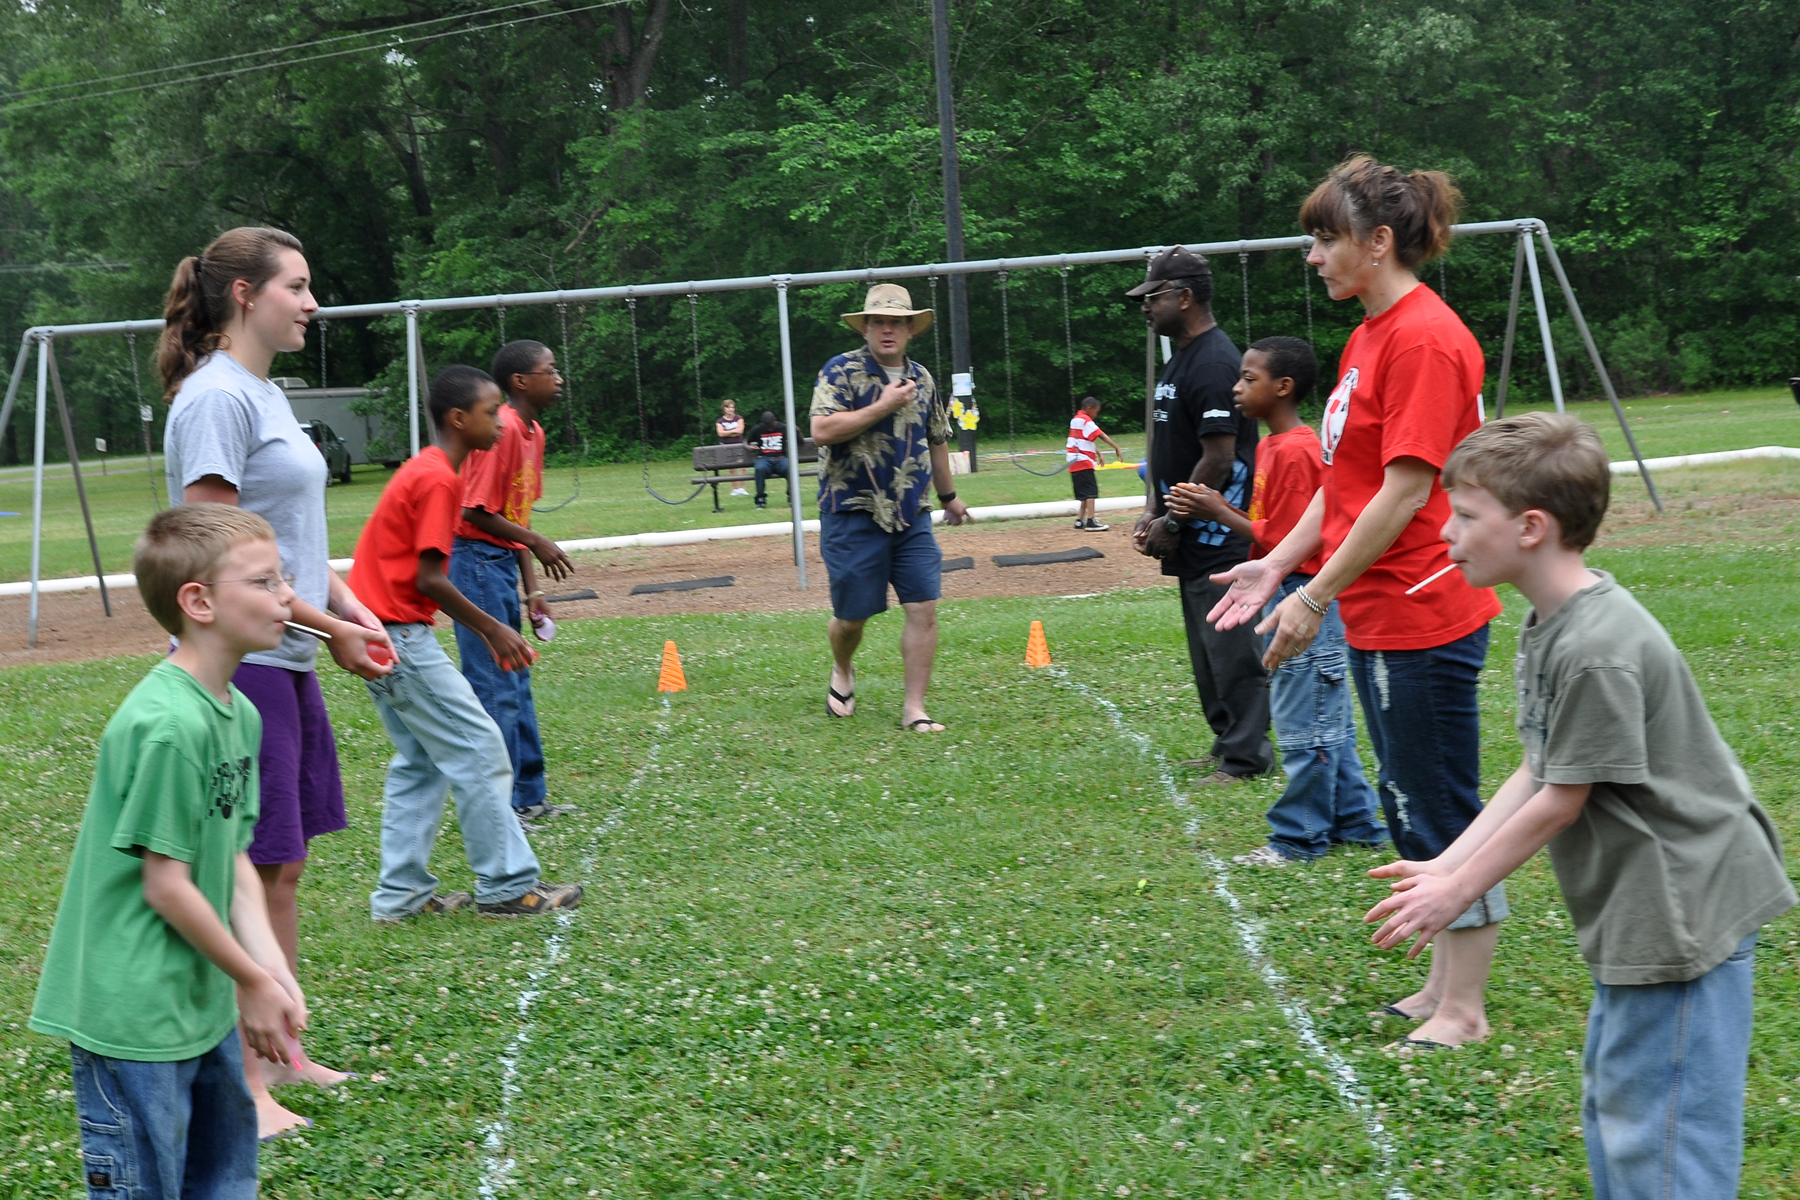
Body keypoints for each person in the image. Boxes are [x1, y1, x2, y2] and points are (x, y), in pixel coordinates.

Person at [1368, 412, 1796, 1193]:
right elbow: (1540, 764)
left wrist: (1458, 891)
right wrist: (1447, 860)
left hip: (1682, 908)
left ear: (1531, 527)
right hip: (1644, 905)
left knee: (1662, 1138)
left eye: (1465, 517)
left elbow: (1561, 800)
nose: (1447, 534)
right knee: (1619, 1106)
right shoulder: (1555, 622)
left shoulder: (1599, 647)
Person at [1208, 156, 1506, 1047]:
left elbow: (1407, 493)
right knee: (1407, 795)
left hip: (1424, 609)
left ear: (1378, 243)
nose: (1313, 256)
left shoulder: (1424, 338)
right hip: (1377, 606)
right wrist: (1277, 569)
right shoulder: (1371, 334)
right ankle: (1439, 982)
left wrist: (1313, 599)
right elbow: (1345, 489)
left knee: (1441, 803)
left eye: (1325, 238)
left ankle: (1465, 1006)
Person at [159, 225, 389, 1135]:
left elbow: (283, 541)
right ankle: (239, 1091)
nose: (313, 301)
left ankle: (280, 1056)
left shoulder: (265, 393)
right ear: (246, 295)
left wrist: (349, 605)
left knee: (281, 867)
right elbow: (222, 559)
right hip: (241, 668)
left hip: (285, 657)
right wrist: (329, 626)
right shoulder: (215, 400)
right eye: (298, 285)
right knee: (237, 875)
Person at [30, 504, 309, 1195]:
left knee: (221, 1177)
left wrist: (270, 969)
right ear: (199, 601)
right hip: (131, 1012)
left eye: (284, 580)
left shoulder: (235, 710)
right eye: (266, 582)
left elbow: (233, 853)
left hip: (197, 998)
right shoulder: (166, 726)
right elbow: (167, 885)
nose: (288, 598)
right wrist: (250, 979)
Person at [348, 365, 583, 921]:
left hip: (381, 631)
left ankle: (400, 898)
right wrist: (492, 626)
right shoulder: (437, 478)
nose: (500, 424)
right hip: (398, 635)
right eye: (488, 411)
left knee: (421, 762)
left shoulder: (432, 469)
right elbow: (431, 578)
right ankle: (506, 886)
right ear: (458, 419)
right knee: (478, 746)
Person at [1172, 337, 1387, 866]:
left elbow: (1292, 540)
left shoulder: (1295, 449)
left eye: (1249, 379)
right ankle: (1357, 822)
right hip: (1294, 591)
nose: (1236, 387)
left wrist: (1219, 511)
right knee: (1325, 717)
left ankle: (1298, 838)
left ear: (1283, 387)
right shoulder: (1271, 445)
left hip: (1306, 598)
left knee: (1303, 721)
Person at [1127, 246, 1272, 784]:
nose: (1145, 306)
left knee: (1232, 650)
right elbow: (1170, 445)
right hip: (1190, 532)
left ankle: (1247, 756)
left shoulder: (1214, 361)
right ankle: (1226, 740)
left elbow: (1219, 456)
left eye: (1154, 297)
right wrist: (1153, 511)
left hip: (1219, 537)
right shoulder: (1181, 356)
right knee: (1207, 650)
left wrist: (1175, 521)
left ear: (1184, 298)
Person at [811, 283, 972, 732]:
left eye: (896, 322)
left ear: (909, 330)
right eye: (878, 321)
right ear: (865, 327)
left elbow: (937, 439)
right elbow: (822, 430)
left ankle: (914, 709)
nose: (887, 330)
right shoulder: (839, 372)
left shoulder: (923, 379)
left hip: (911, 514)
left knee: (923, 607)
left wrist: (948, 497)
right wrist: (882, 405)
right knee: (851, 617)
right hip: (851, 511)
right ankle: (843, 669)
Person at [454, 339, 577, 831]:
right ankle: (498, 810)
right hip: (474, 563)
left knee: (518, 682)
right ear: (521, 382)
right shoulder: (498, 431)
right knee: (495, 687)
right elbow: (473, 512)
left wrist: (534, 592)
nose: (559, 378)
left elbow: (515, 514)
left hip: (503, 564)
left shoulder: (534, 433)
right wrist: (538, 542)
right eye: (551, 370)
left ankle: (530, 798)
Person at [1066, 395, 1123, 531]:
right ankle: (1091, 520)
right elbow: (1100, 435)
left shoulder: (1075, 420)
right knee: (1091, 492)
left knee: (1085, 494)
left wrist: (1098, 453)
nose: (1096, 415)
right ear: (1089, 408)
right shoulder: (1085, 420)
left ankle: (1080, 520)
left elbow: (1083, 440)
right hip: (1082, 461)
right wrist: (1116, 447)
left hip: (1074, 462)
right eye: (1096, 411)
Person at [748, 409, 790, 509]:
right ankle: (760, 499)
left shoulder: (783, 427)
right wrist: (749, 446)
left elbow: (800, 441)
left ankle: (792, 496)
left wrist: (797, 431)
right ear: (763, 424)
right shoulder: (758, 429)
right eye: (767, 426)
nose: (770, 429)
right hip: (764, 458)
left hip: (780, 457)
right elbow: (746, 441)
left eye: (771, 425)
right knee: (759, 469)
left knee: (789, 467)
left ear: (775, 420)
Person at [716, 399, 750, 496]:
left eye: (732, 407)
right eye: (728, 407)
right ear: (724, 408)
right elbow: (720, 433)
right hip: (726, 446)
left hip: (738, 444)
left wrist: (728, 433)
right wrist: (732, 432)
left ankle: (742, 488)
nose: (731, 409)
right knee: (731, 468)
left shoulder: (739, 418)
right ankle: (735, 489)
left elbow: (740, 431)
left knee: (742, 467)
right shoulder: (720, 421)